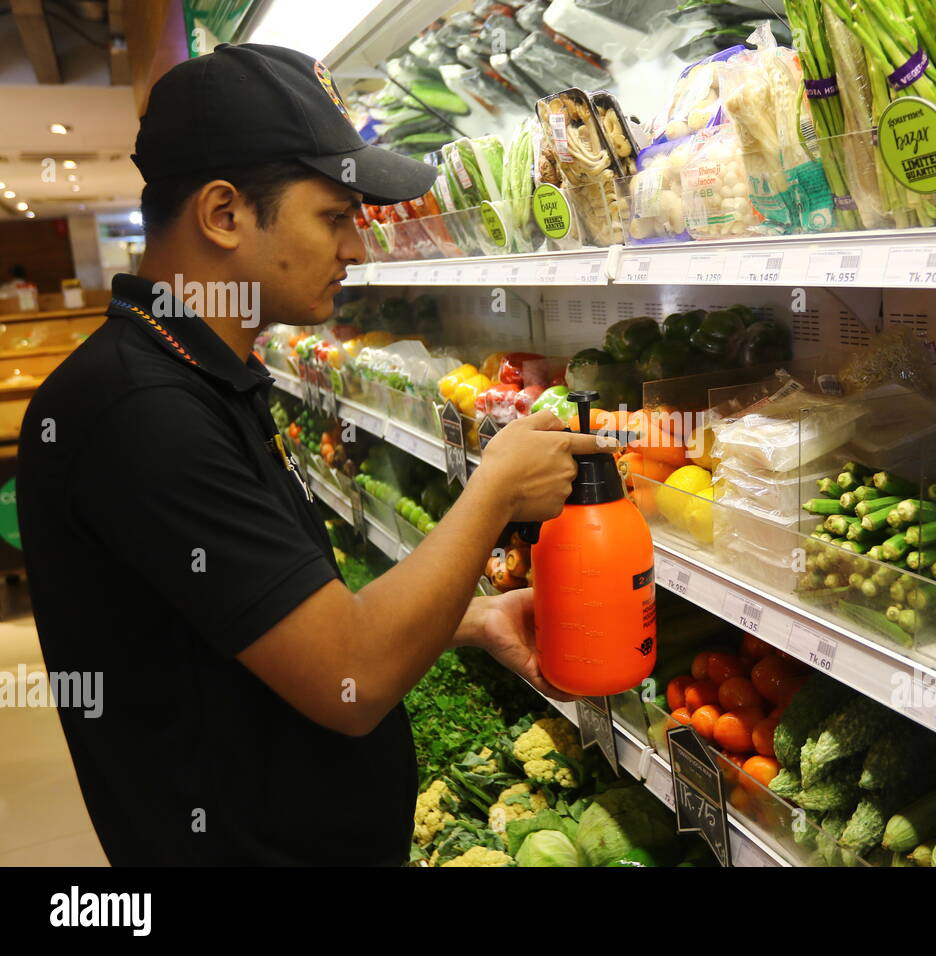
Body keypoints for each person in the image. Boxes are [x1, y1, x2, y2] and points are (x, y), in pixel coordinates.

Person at [16, 43, 609, 866]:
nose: (357, 250)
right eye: (335, 217)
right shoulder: (139, 414)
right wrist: (495, 490)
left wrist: (465, 618)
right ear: (225, 214)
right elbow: (351, 679)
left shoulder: (199, 373)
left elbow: (264, 624)